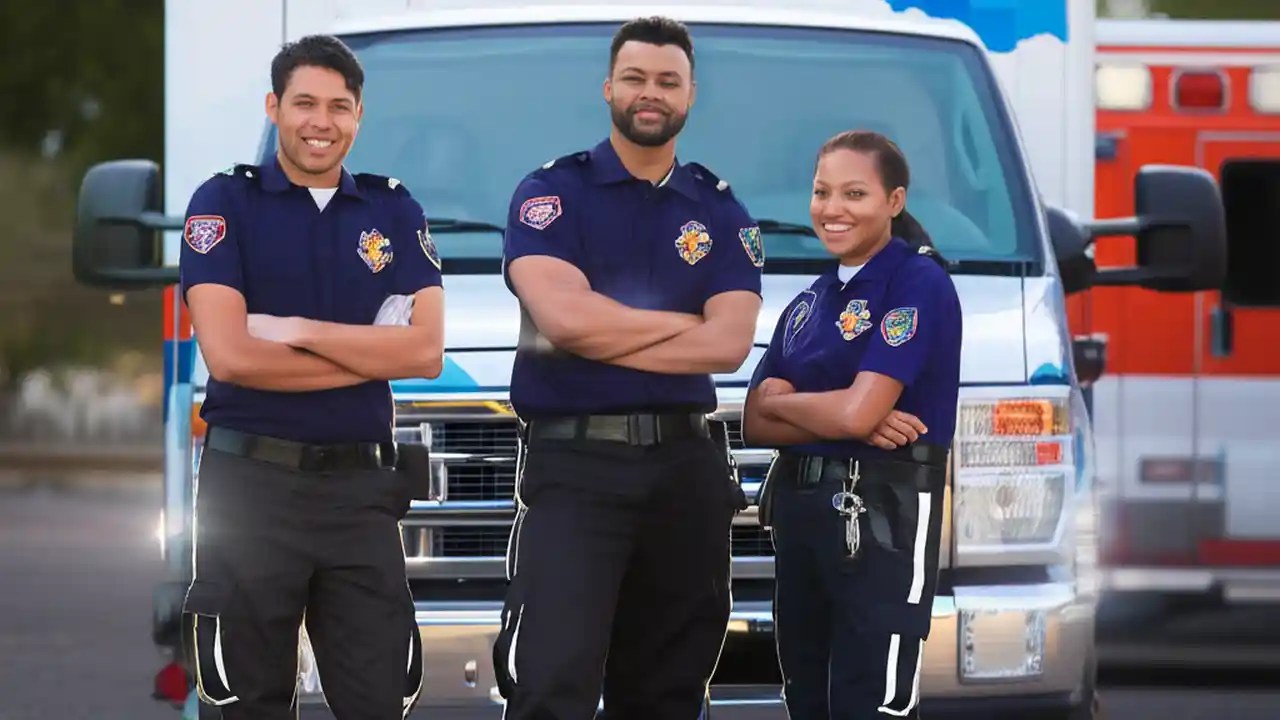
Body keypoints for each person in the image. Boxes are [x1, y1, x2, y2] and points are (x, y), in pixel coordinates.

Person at [492, 16, 763, 720]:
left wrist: (604, 329)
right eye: (636, 78)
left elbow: (729, 345)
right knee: (552, 679)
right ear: (608, 87)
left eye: (668, 81)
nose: (651, 93)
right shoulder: (552, 196)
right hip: (576, 471)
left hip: (685, 472)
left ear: (690, 95)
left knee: (669, 690)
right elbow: (565, 321)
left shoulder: (720, 209)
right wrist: (684, 324)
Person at [178, 34, 444, 719]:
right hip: (251, 493)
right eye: (304, 103)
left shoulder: (393, 210)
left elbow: (424, 354)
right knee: (249, 701)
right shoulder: (224, 203)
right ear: (274, 107)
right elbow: (231, 358)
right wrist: (368, 354)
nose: (320, 122)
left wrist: (295, 331)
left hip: (361, 497)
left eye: (338, 106)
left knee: (378, 699)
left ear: (359, 115)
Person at [742, 130, 962, 719]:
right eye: (822, 192)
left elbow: (852, 412)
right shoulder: (810, 302)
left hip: (884, 516)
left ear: (894, 201)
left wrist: (793, 401)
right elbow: (755, 421)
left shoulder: (916, 282)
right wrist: (840, 414)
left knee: (870, 701)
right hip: (803, 518)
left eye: (855, 193)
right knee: (807, 697)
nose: (832, 209)